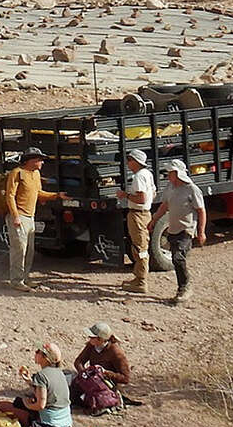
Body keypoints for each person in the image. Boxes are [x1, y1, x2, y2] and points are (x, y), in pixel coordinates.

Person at [0, 148, 62, 289]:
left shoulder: (36, 174)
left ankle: (25, 278)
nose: (42, 162)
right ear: (30, 161)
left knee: (29, 251)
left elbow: (39, 192)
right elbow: (10, 195)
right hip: (19, 217)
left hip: (30, 217)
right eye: (39, 160)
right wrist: (15, 216)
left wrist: (57, 195)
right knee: (19, 250)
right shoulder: (17, 173)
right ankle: (16, 281)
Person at [152, 159, 207, 304]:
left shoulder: (192, 189)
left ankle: (185, 287)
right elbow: (164, 206)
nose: (168, 174)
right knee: (176, 259)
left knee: (177, 257)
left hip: (186, 229)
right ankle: (182, 286)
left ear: (178, 173)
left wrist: (201, 231)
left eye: (170, 172)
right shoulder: (170, 188)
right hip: (173, 229)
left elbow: (201, 211)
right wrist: (153, 220)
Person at [0, 342, 72, 427]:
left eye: (38, 352)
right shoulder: (59, 372)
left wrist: (27, 404)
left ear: (46, 358)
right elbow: (48, 392)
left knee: (3, 405)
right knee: (19, 402)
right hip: (65, 421)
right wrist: (30, 382)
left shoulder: (41, 375)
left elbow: (40, 405)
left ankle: (29, 423)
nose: (35, 353)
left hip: (48, 423)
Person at [118, 148, 156, 293]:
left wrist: (125, 195)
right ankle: (139, 277)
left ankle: (141, 281)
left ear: (136, 162)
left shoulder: (139, 177)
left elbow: (141, 198)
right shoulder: (147, 174)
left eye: (130, 160)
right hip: (144, 214)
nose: (128, 163)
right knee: (140, 246)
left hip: (138, 215)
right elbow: (152, 193)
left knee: (139, 248)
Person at [76, 321, 131, 387]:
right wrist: (84, 374)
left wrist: (106, 373)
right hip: (93, 380)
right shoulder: (91, 345)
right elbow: (79, 361)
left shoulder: (116, 352)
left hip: (107, 386)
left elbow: (125, 378)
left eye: (92, 337)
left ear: (100, 339)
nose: (89, 339)